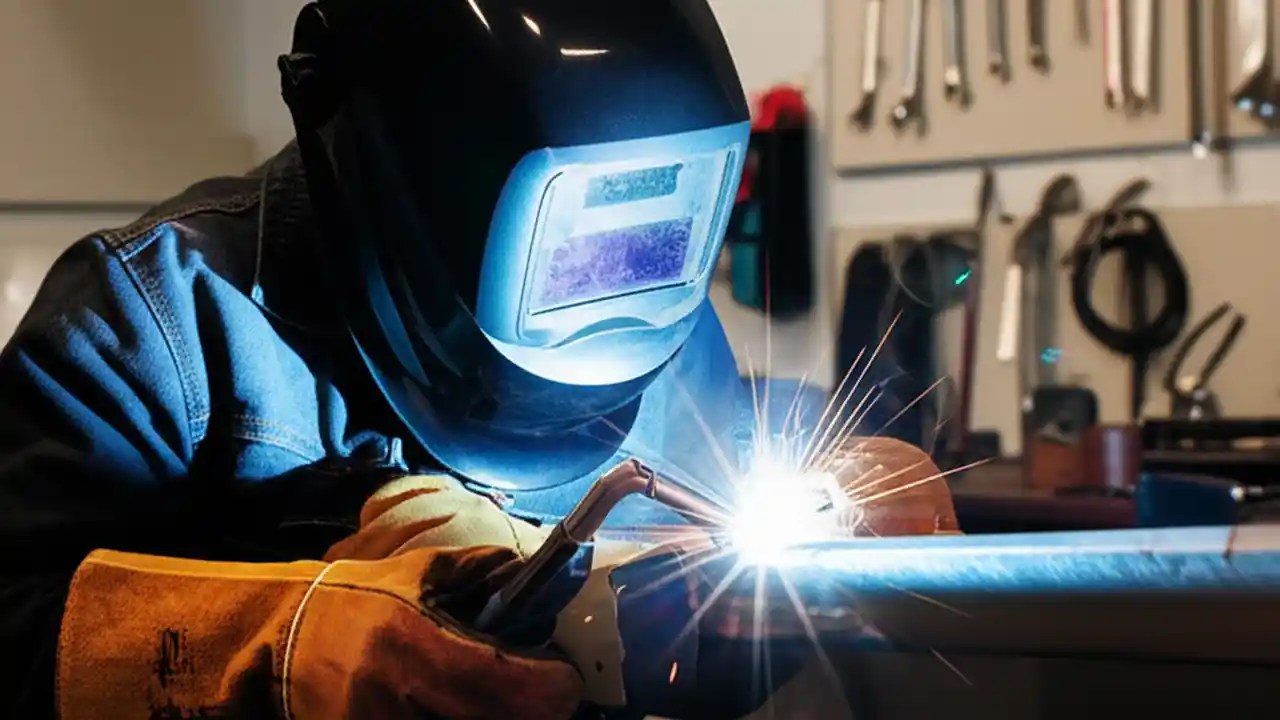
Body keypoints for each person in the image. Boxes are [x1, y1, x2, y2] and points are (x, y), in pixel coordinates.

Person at [0, 1, 958, 718]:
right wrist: (277, 644)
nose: (612, 288)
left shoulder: (679, 343)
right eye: (572, 233)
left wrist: (837, 544)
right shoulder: (158, 323)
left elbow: (704, 640)